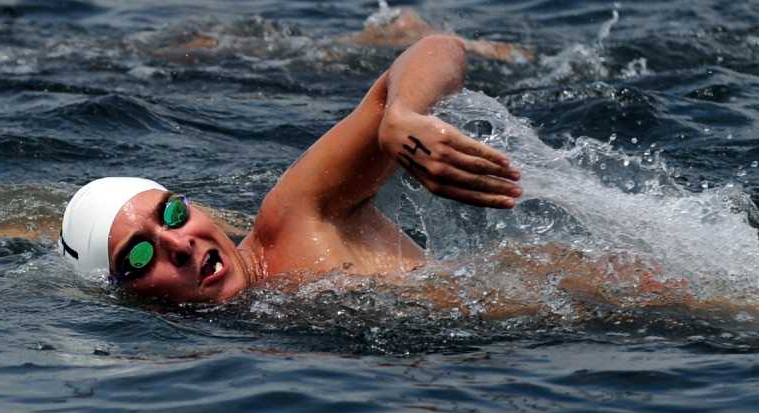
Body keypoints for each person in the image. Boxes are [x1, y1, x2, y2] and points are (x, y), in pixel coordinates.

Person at [59, 30, 524, 303]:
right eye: (140, 256)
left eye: (173, 213)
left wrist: (402, 115)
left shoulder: (297, 216)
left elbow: (439, 48)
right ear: (125, 294)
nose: (180, 245)